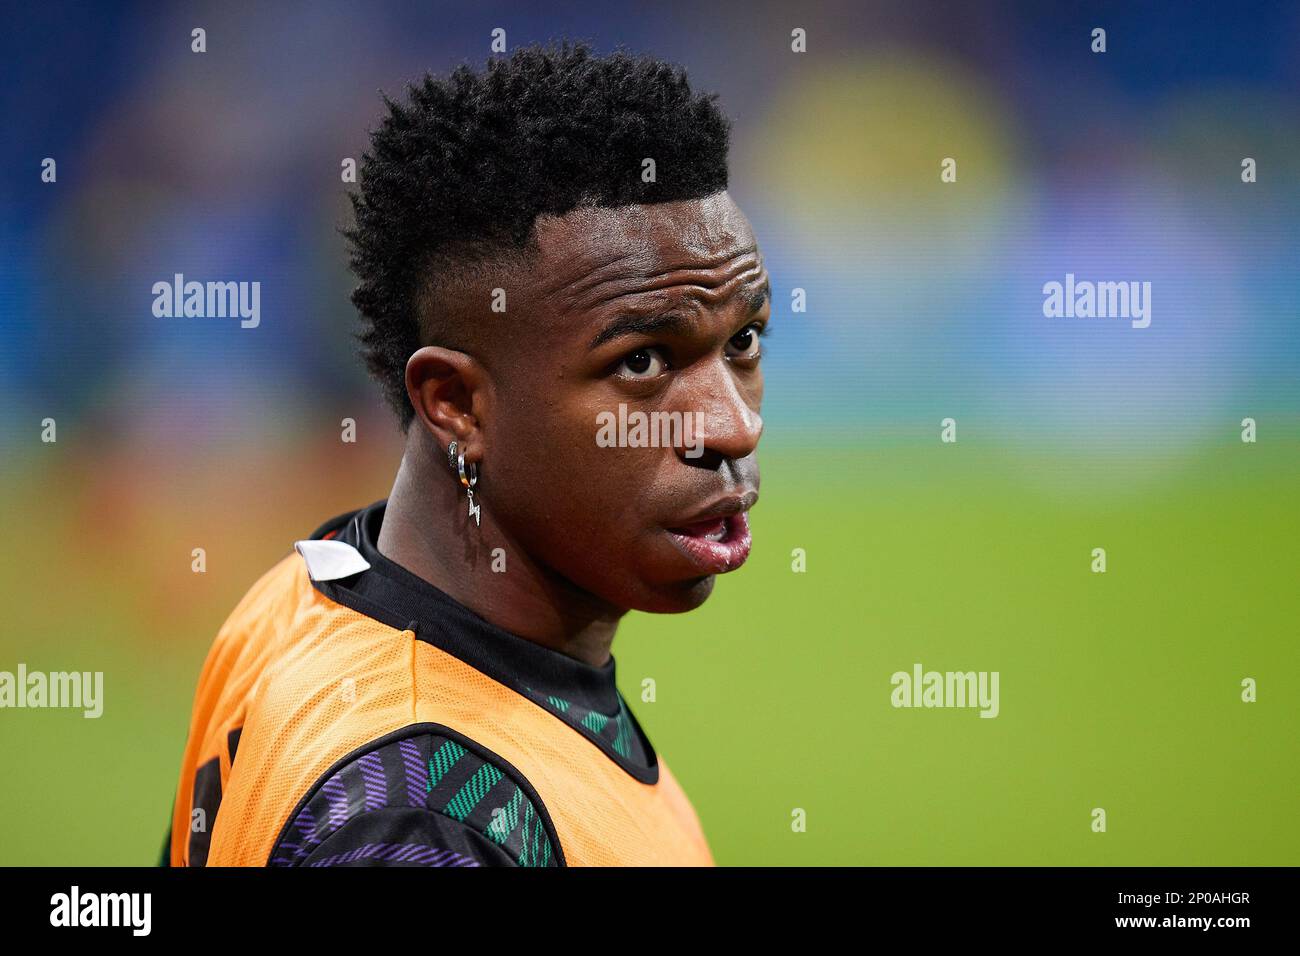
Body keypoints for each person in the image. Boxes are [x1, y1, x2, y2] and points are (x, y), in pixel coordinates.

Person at [165, 39, 771, 867]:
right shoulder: (417, 826)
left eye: (743, 340)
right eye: (641, 363)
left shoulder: (306, 591)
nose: (730, 427)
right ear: (455, 404)